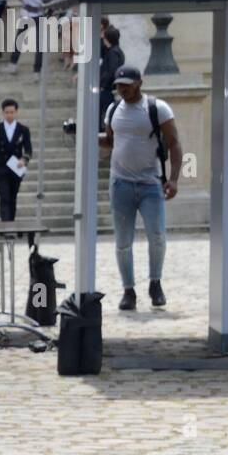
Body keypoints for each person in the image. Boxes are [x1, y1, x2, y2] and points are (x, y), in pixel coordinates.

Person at [98, 65, 183, 311]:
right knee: (123, 240)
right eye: (119, 85)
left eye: (127, 84)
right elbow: (111, 141)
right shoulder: (113, 109)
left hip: (150, 183)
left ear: (139, 83)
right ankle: (128, 290)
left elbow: (175, 143)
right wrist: (85, 136)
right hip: (120, 182)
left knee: (157, 236)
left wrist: (174, 178)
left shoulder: (157, 108)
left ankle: (155, 283)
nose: (122, 89)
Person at [0, 98, 32, 222]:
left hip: (16, 166)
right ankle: (6, 227)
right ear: (3, 113)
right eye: (7, 112)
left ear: (16, 112)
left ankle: (11, 223)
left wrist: (24, 160)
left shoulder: (23, 130)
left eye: (12, 112)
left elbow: (28, 150)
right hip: (1, 166)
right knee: (4, 197)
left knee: (12, 197)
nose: (9, 115)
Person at [8, 0, 46, 74]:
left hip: (26, 12)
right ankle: (37, 71)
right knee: (40, 44)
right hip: (40, 12)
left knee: (19, 39)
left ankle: (13, 65)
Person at [97, 25, 126, 127]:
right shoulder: (114, 51)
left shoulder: (113, 53)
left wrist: (103, 83)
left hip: (108, 89)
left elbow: (111, 71)